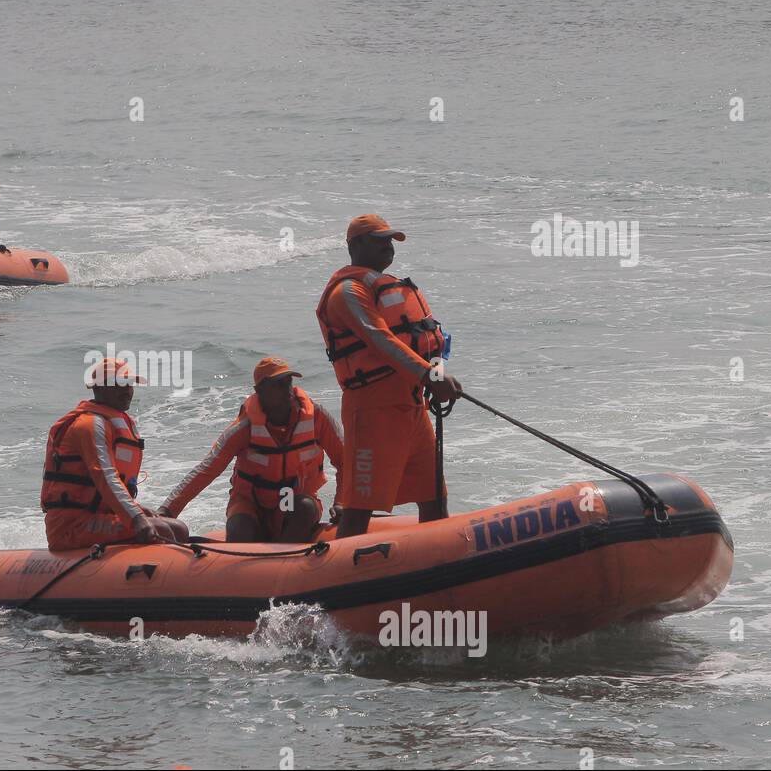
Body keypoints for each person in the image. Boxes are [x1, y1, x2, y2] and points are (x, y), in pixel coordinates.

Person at [315, 214, 463, 538]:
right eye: (379, 240)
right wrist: (429, 376)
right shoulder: (347, 293)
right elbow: (380, 339)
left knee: (435, 498)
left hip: (413, 409)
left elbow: (432, 341)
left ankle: (435, 562)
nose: (388, 247)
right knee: (360, 508)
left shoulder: (396, 289)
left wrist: (437, 372)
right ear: (355, 245)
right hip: (372, 413)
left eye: (390, 241)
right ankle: (343, 566)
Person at [157, 358, 345, 542]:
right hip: (251, 503)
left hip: (290, 501)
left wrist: (342, 503)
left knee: (304, 508)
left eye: (288, 381)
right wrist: (167, 511)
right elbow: (207, 469)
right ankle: (253, 557)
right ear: (260, 391)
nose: (286, 388)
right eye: (277, 384)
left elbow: (345, 461)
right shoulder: (244, 428)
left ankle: (285, 558)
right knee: (240, 528)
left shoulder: (316, 418)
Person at [41, 358, 189, 552]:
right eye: (119, 384)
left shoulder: (115, 422)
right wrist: (136, 518)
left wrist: (138, 510)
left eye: (129, 384)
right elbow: (105, 476)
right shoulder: (89, 425)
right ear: (99, 388)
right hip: (70, 526)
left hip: (97, 517)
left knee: (179, 528)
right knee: (163, 530)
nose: (127, 391)